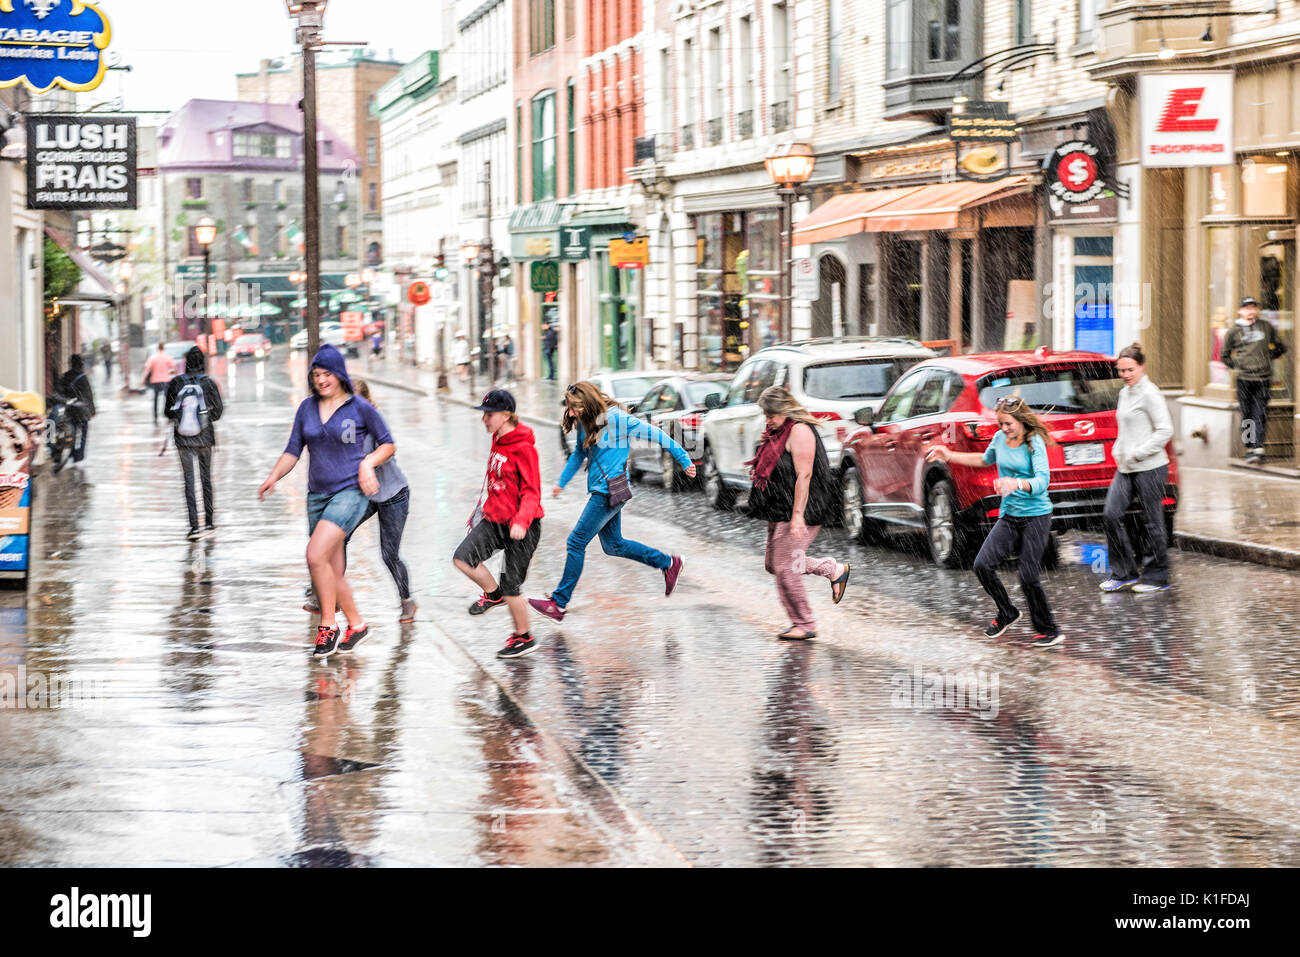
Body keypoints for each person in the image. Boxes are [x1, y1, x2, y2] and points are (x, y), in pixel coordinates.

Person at [259, 344, 395, 659]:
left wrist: (367, 463)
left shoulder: (360, 408)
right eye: (316, 375)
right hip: (316, 495)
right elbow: (293, 450)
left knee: (314, 554)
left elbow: (388, 444)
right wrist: (272, 477)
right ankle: (357, 625)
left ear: (339, 375)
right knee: (330, 570)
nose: (321, 380)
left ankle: (328, 625)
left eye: (327, 374)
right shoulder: (306, 408)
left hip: (350, 492)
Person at [527, 380, 694, 624]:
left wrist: (685, 460)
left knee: (576, 542)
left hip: (608, 491)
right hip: (604, 490)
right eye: (570, 408)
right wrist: (561, 482)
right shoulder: (586, 422)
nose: (571, 413)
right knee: (614, 545)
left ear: (588, 402)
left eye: (575, 407)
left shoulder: (617, 419)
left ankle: (558, 603)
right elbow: (579, 454)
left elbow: (657, 434)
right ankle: (668, 563)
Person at [927, 395, 1062, 648]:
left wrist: (1016, 483)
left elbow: (1043, 481)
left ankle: (1048, 629)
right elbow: (984, 460)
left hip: (1037, 516)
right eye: (1000, 423)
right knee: (982, 565)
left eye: (1008, 424)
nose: (1004, 429)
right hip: (1010, 516)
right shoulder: (1000, 438)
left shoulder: (1034, 443)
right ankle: (1007, 612)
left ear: (1022, 421)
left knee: (1028, 575)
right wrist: (949, 455)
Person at [744, 386, 849, 640]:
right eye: (765, 414)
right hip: (779, 504)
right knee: (774, 565)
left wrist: (798, 516)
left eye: (772, 414)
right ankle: (831, 569)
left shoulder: (799, 431)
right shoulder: (778, 431)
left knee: (786, 567)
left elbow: (805, 474)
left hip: (804, 504)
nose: (768, 419)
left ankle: (804, 622)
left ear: (785, 409)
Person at [453, 389, 544, 659]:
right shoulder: (497, 438)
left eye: (489, 415)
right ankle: (493, 594)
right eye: (484, 414)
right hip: (495, 519)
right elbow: (498, 480)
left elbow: (531, 491)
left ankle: (523, 637)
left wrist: (522, 519)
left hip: (522, 527)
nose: (485, 420)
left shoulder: (524, 448)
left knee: (512, 586)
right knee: (462, 558)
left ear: (506, 415)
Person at [1100, 342, 1174, 594]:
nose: (1126, 375)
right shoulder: (1124, 393)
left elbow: (1165, 430)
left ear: (1141, 367)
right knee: (1111, 515)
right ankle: (1124, 573)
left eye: (1130, 369)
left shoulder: (1150, 393)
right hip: (1126, 467)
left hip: (1151, 467)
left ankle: (1157, 577)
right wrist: (1119, 450)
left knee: (1152, 522)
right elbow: (1126, 429)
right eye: (1121, 371)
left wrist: (1139, 452)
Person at [164, 346, 225, 541]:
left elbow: (167, 412)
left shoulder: (175, 383)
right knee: (206, 479)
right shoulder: (208, 383)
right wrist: (203, 420)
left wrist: (183, 418)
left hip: (182, 439)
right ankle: (209, 521)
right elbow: (218, 412)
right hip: (205, 438)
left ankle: (193, 526)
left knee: (189, 481)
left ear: (186, 362)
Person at [1223, 296, 1288, 464]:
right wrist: (1238, 365)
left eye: (1253, 308)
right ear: (1240, 311)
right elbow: (1225, 355)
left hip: (1263, 379)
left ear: (1257, 310)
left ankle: (1258, 449)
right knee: (1247, 415)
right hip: (1244, 379)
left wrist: (1267, 357)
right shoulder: (1234, 331)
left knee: (1260, 414)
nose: (1250, 311)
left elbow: (1281, 347)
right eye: (1246, 308)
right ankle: (1249, 448)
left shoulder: (1266, 327)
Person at [56, 354, 95, 465]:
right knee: (83, 433)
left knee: (72, 430)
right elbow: (89, 394)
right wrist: (92, 410)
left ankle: (72, 451)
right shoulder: (83, 377)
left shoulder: (65, 376)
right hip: (82, 410)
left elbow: (60, 392)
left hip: (71, 409)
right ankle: (80, 453)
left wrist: (66, 401)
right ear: (81, 364)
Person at [143, 343, 175, 424]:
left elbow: (147, 369)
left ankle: (155, 417)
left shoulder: (153, 358)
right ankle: (168, 415)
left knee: (156, 399)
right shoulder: (168, 357)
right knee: (167, 398)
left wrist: (143, 380)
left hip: (156, 381)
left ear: (158, 348)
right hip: (166, 380)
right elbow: (173, 368)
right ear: (164, 348)